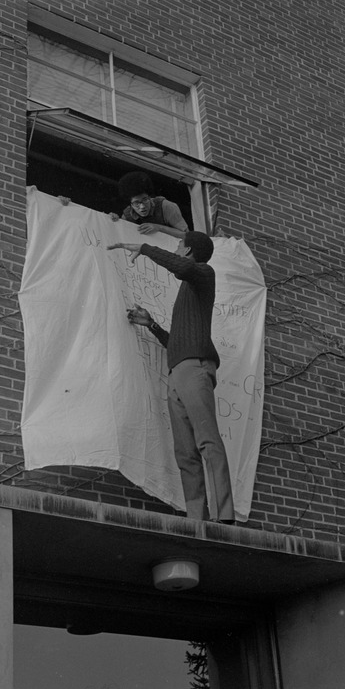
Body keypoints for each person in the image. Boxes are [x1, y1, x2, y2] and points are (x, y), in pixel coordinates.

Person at [106, 231, 235, 523]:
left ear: (188, 250)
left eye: (179, 245)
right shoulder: (189, 289)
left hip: (194, 369)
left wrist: (144, 247)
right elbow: (177, 342)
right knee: (185, 451)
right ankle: (196, 518)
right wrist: (151, 324)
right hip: (178, 371)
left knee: (207, 440)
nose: (176, 249)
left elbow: (183, 268)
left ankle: (224, 516)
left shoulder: (203, 273)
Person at [109, 171, 188, 238]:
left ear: (150, 196)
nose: (142, 206)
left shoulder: (166, 207)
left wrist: (158, 228)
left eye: (145, 200)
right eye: (137, 203)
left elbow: (187, 235)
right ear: (130, 204)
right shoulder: (127, 215)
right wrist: (115, 220)